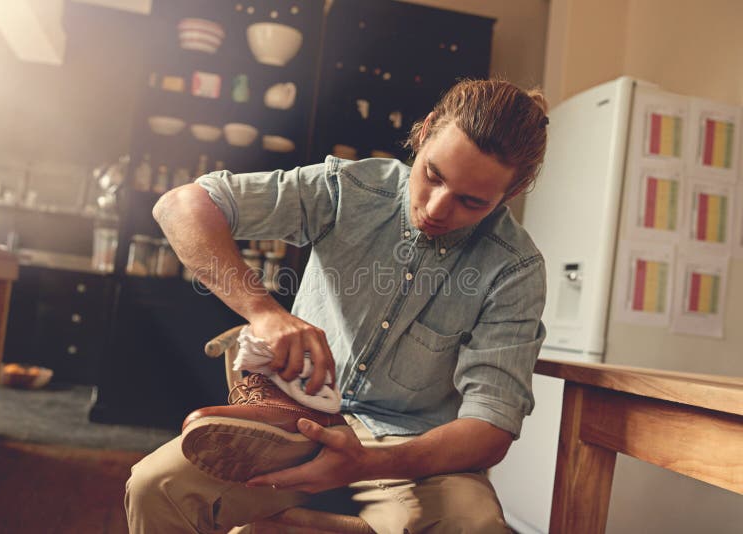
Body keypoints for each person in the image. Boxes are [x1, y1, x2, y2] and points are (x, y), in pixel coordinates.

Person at [125, 78, 549, 533]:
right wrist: (263, 310)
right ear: (424, 134)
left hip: (414, 456)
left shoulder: (515, 269)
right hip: (293, 424)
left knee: (477, 528)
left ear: (511, 194)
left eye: (471, 201)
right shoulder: (347, 188)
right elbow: (182, 205)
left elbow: (490, 429)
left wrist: (366, 462)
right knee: (156, 485)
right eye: (433, 175)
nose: (438, 208)